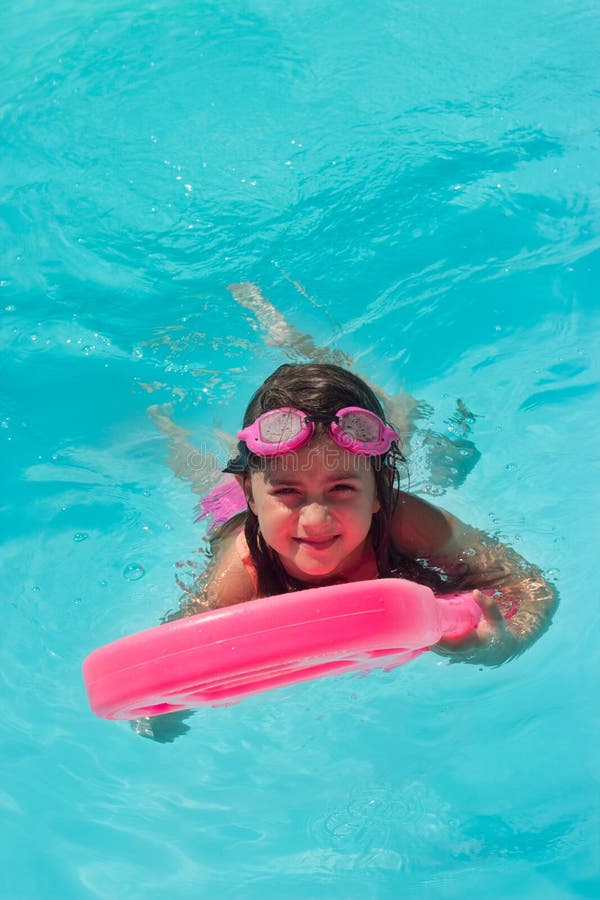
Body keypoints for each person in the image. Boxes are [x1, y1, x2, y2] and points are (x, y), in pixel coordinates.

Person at [188, 361, 555, 667]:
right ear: (251, 493)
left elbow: (531, 588)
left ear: (381, 491)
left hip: (298, 497)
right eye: (289, 492)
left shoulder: (405, 522)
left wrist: (500, 647)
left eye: (341, 489)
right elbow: (175, 657)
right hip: (232, 511)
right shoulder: (244, 567)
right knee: (191, 459)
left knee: (403, 428)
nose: (315, 519)